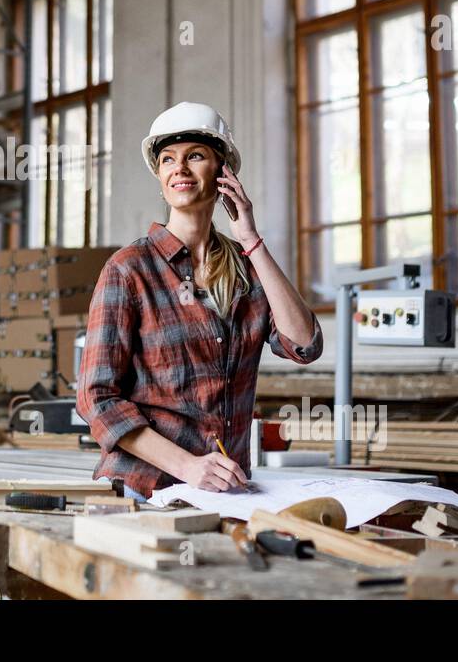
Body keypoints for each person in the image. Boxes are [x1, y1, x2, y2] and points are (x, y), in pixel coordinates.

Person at [76, 102, 324, 503]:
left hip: (221, 493)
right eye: (168, 159)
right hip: (142, 491)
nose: (180, 168)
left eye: (195, 156)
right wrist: (190, 467)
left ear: (224, 171)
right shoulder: (129, 270)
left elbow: (305, 345)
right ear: (159, 177)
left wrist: (251, 240)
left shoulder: (244, 272)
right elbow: (96, 399)